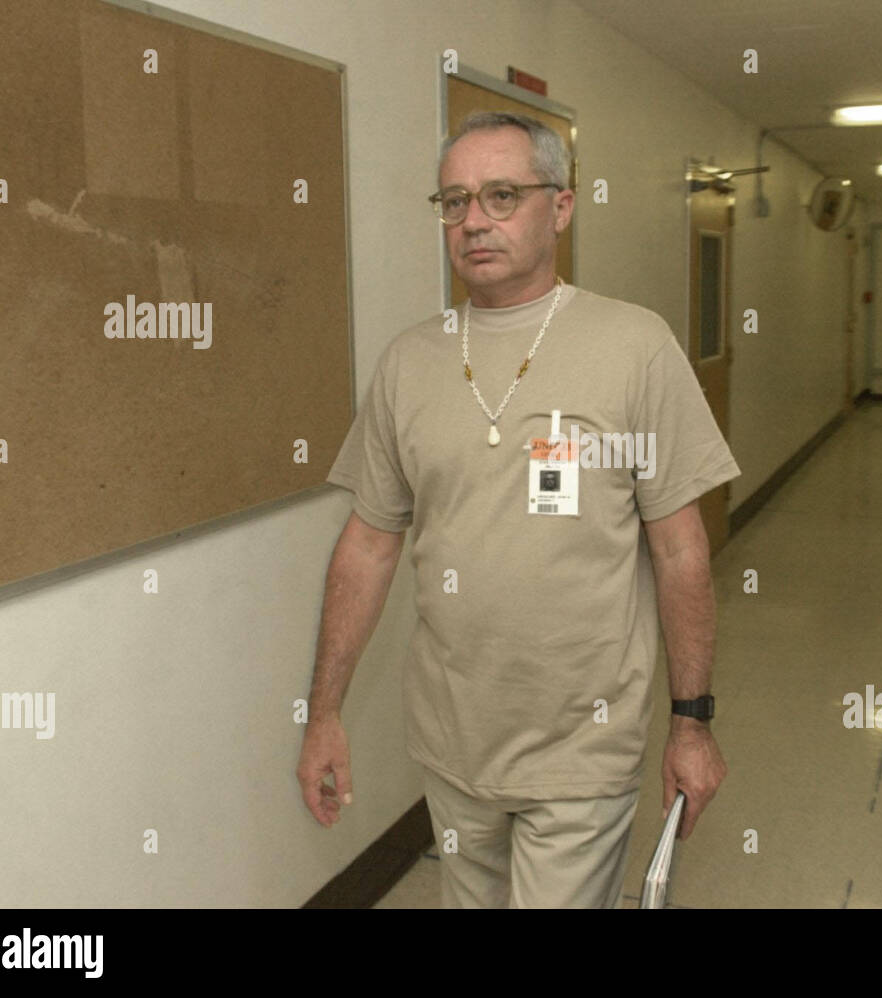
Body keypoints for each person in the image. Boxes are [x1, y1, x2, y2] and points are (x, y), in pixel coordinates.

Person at [296, 110, 741, 908]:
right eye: (455, 201)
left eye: (502, 196)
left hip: (584, 744)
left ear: (561, 208)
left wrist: (691, 722)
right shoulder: (410, 362)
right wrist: (324, 712)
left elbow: (681, 552)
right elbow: (368, 546)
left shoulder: (634, 347)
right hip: (453, 742)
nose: (474, 222)